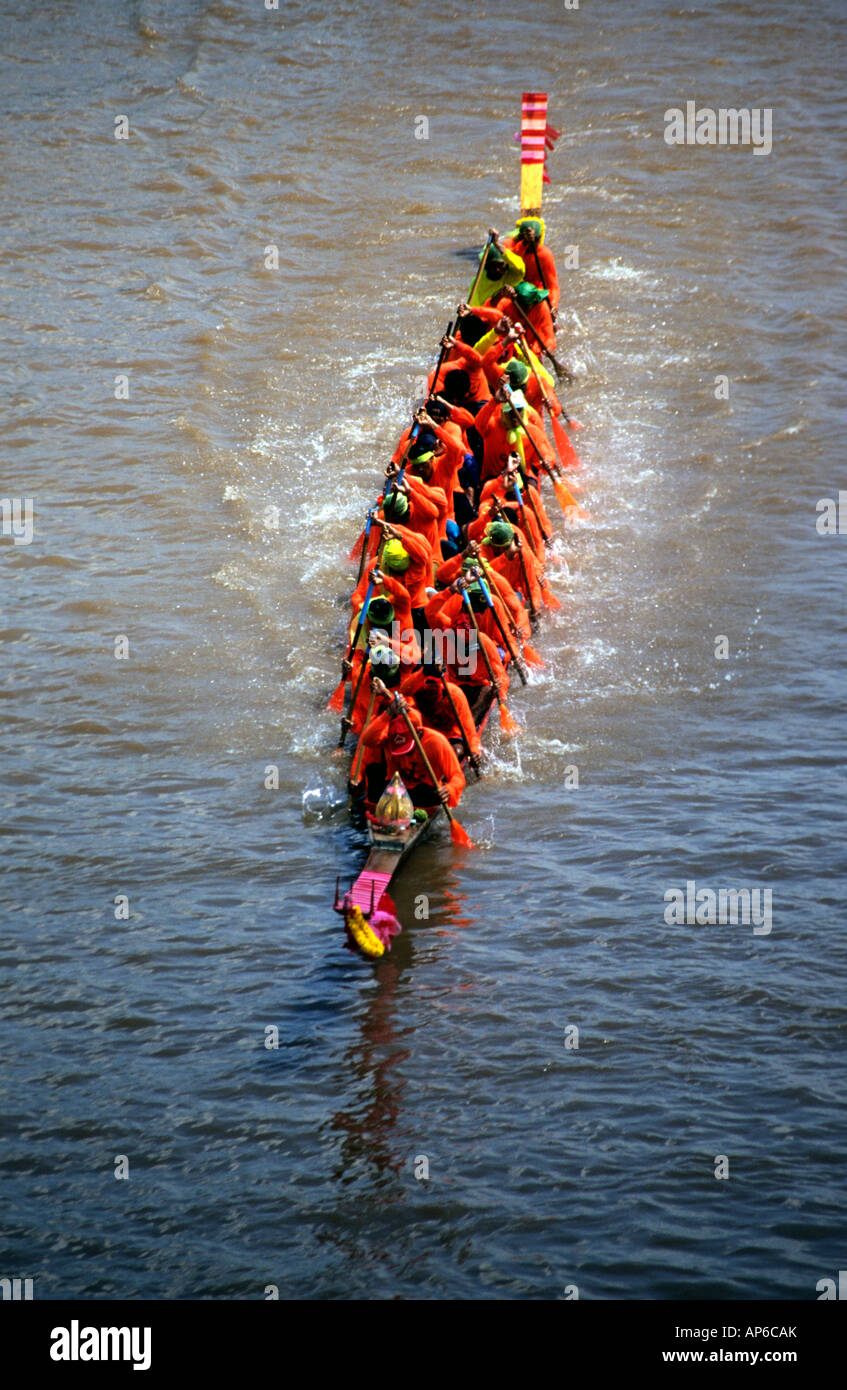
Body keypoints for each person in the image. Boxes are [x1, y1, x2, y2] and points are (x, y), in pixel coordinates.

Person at [503, 217, 560, 316]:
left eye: (535, 241)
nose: (530, 245)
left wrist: (553, 305)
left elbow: (552, 286)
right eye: (526, 241)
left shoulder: (545, 255)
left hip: (534, 294)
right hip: (513, 291)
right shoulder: (511, 247)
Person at [467, 227, 525, 308]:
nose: (497, 269)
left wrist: (497, 244)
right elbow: (475, 309)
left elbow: (520, 267)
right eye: (493, 266)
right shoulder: (477, 283)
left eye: (501, 265)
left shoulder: (510, 276)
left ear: (506, 265)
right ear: (487, 267)